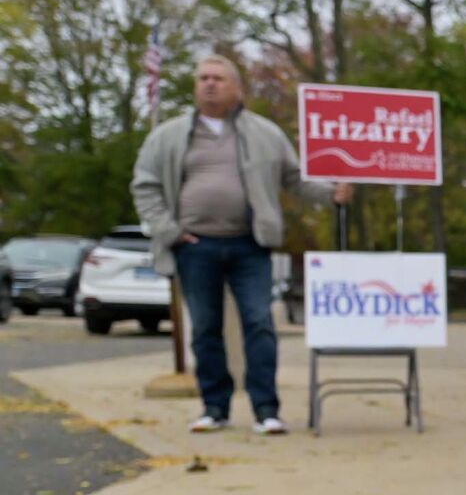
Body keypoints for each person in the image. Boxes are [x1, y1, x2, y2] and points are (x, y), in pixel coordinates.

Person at [131, 54, 353, 434]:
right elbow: (145, 186)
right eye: (202, 78)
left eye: (218, 78)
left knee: (259, 323)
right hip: (194, 246)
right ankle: (214, 408)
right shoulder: (167, 136)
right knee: (205, 328)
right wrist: (169, 231)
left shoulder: (265, 134)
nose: (210, 84)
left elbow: (295, 180)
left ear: (237, 87)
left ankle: (266, 409)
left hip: (251, 245)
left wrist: (333, 195)